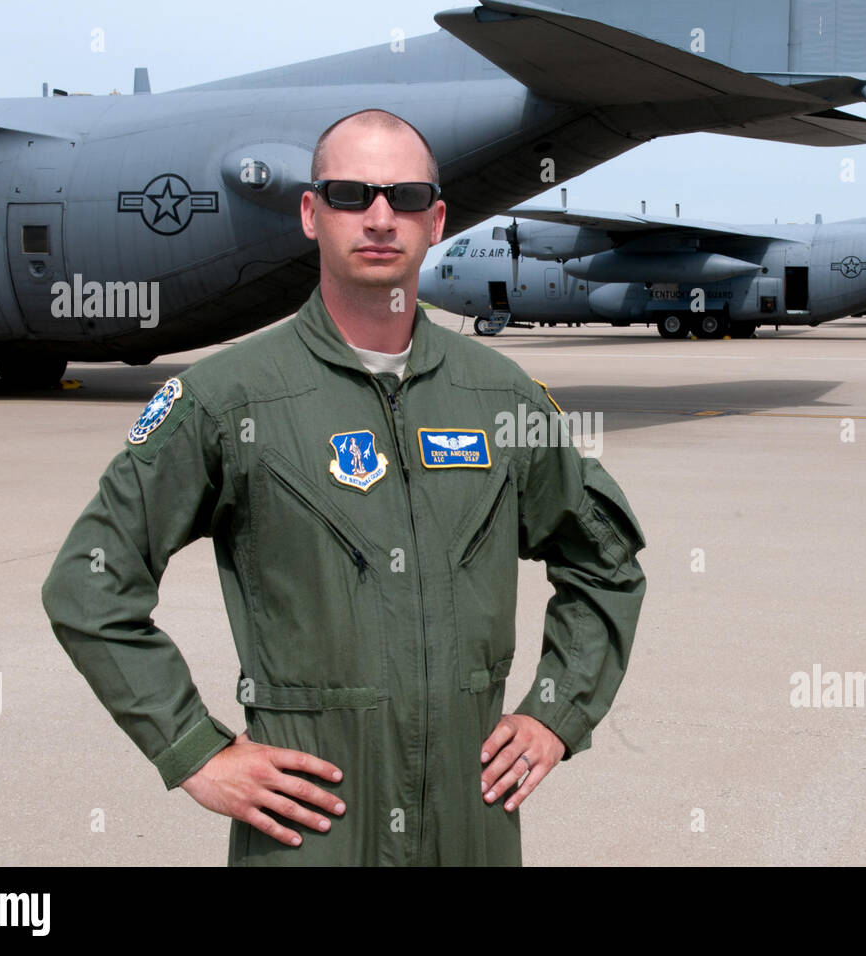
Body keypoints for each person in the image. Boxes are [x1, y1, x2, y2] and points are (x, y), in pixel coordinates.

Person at [40, 108, 647, 866]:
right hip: (312, 835)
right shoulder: (229, 400)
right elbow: (89, 585)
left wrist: (557, 711)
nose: (381, 217)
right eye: (351, 193)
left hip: (471, 830)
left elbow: (606, 562)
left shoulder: (505, 400)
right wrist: (194, 749)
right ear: (310, 213)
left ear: (437, 220)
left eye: (407, 196)